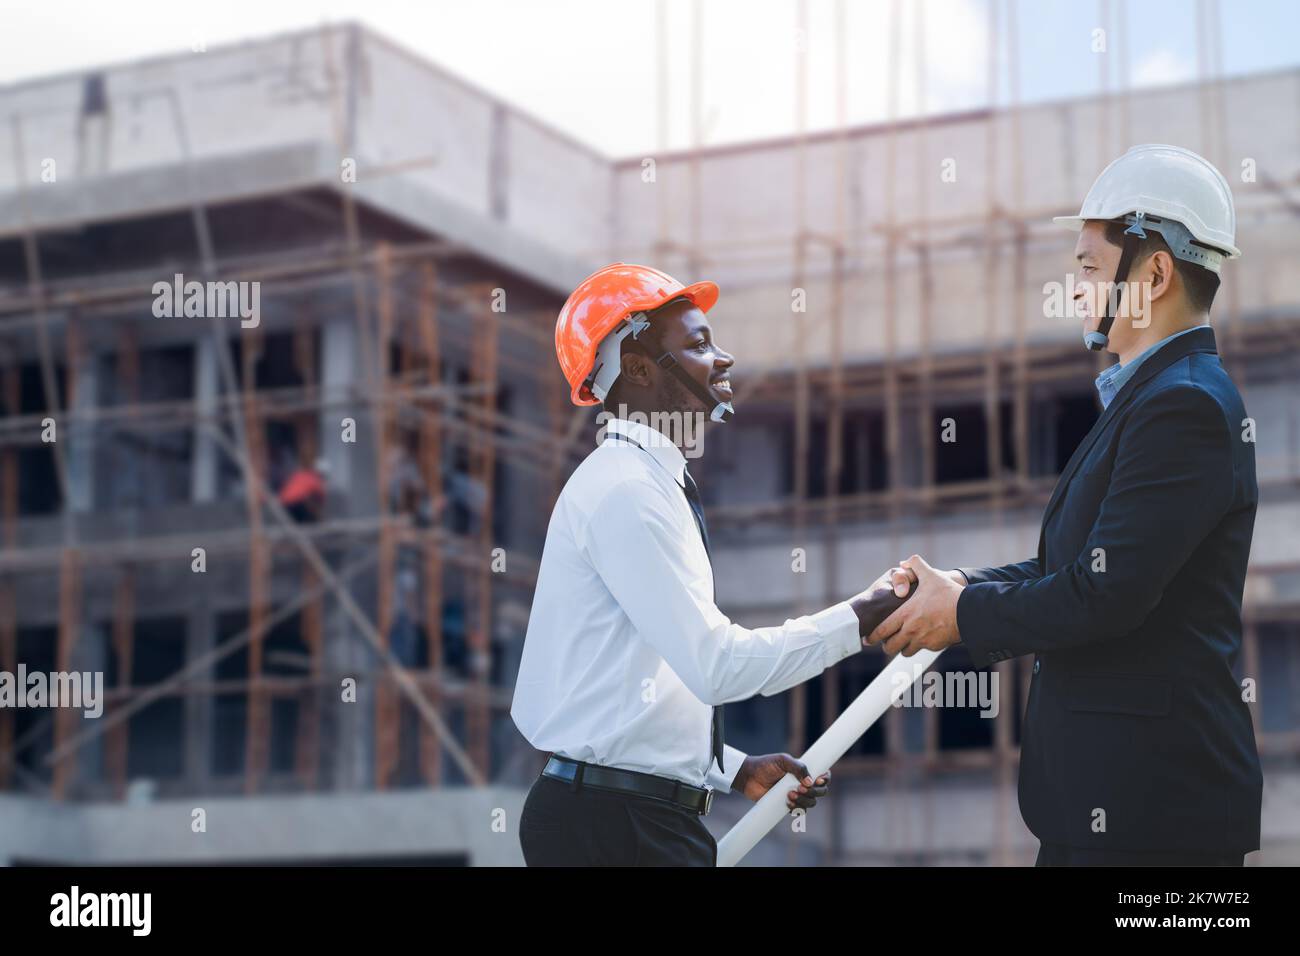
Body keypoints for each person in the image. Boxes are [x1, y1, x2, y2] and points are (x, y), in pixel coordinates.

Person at [868, 145, 1262, 866]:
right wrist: (963, 588)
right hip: (1109, 803)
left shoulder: (1185, 407)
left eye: (1087, 266)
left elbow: (1106, 595)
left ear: (1154, 272)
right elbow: (1080, 565)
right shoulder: (1152, 397)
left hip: (1155, 818)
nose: (1074, 288)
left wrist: (960, 618)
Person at [511, 263, 912, 866]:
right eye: (698, 344)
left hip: (628, 818)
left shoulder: (646, 481)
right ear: (639, 367)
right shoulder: (628, 491)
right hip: (616, 826)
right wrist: (860, 617)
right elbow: (716, 665)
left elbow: (628, 687)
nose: (723, 359)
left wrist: (729, 767)